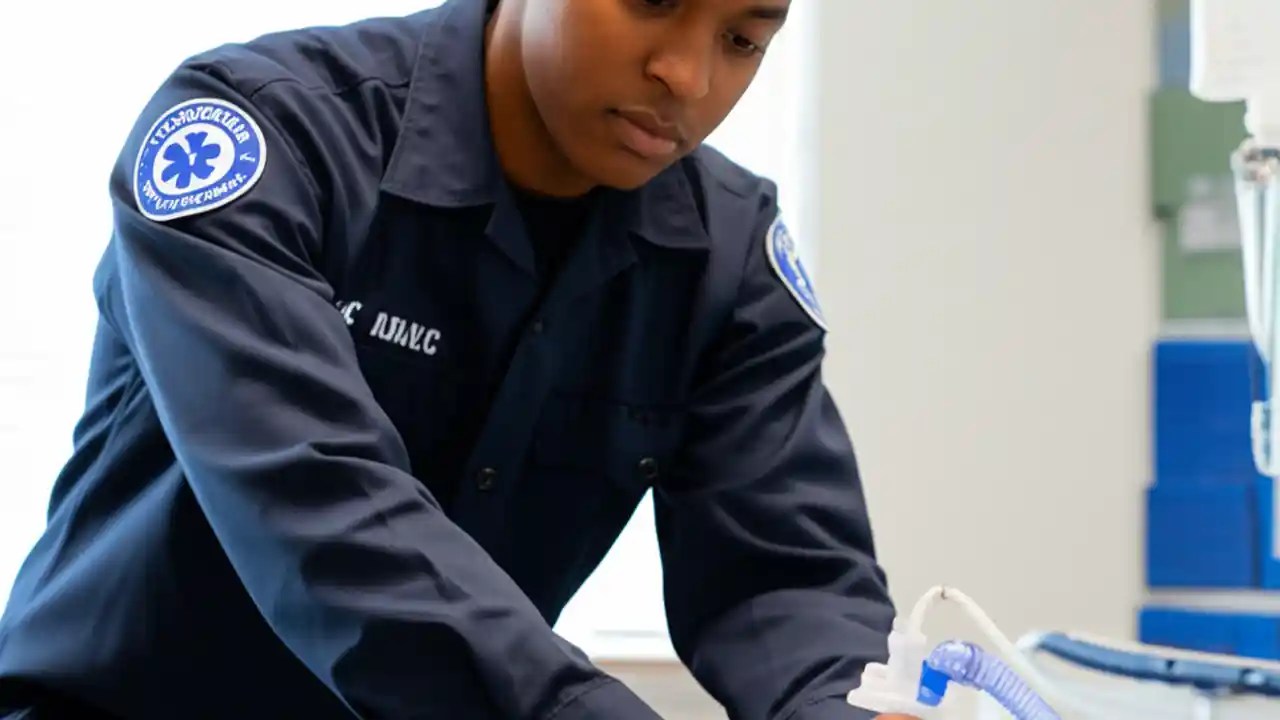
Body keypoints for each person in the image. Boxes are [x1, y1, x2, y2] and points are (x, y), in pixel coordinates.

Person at [0, 0, 904, 717]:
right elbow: (322, 511)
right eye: (650, 0)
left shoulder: (729, 261)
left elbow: (783, 574)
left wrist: (849, 708)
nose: (687, 74)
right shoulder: (260, 139)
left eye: (743, 37)